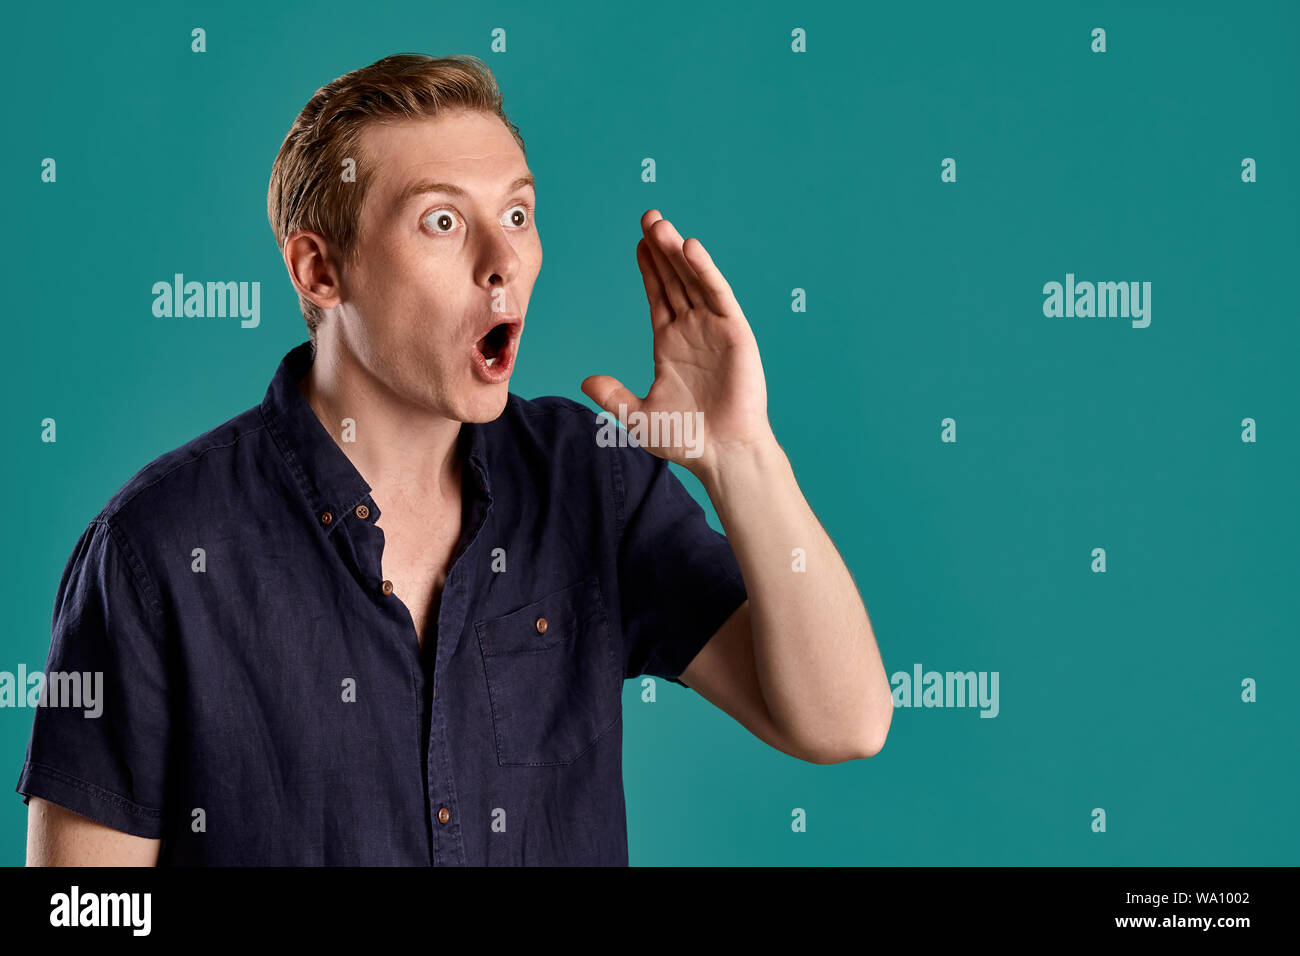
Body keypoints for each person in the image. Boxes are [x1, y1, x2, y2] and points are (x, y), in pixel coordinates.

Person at [18, 53, 892, 866]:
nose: (502, 259)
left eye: (516, 213)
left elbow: (841, 720)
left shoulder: (588, 479)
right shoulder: (158, 549)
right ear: (321, 271)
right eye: (442, 221)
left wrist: (741, 454)